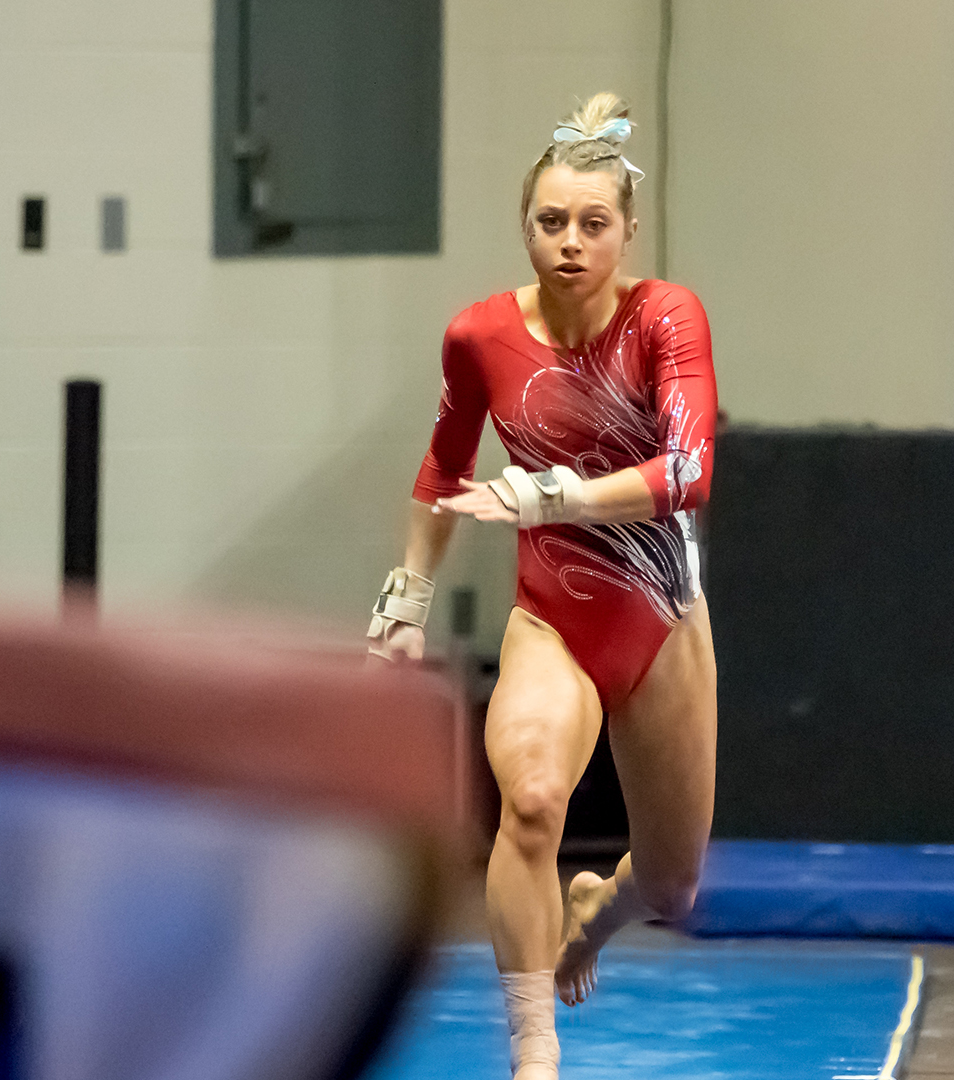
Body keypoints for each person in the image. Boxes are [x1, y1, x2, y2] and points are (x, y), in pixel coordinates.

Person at [365, 92, 717, 1079]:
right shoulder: (480, 336)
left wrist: (555, 494)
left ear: (628, 232)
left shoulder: (665, 318)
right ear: (525, 227)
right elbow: (442, 471)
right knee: (527, 801)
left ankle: (598, 910)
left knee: (674, 886)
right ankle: (534, 1050)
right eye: (551, 221)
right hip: (553, 621)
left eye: (593, 224)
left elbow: (688, 473)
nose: (571, 242)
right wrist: (406, 599)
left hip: (661, 622)